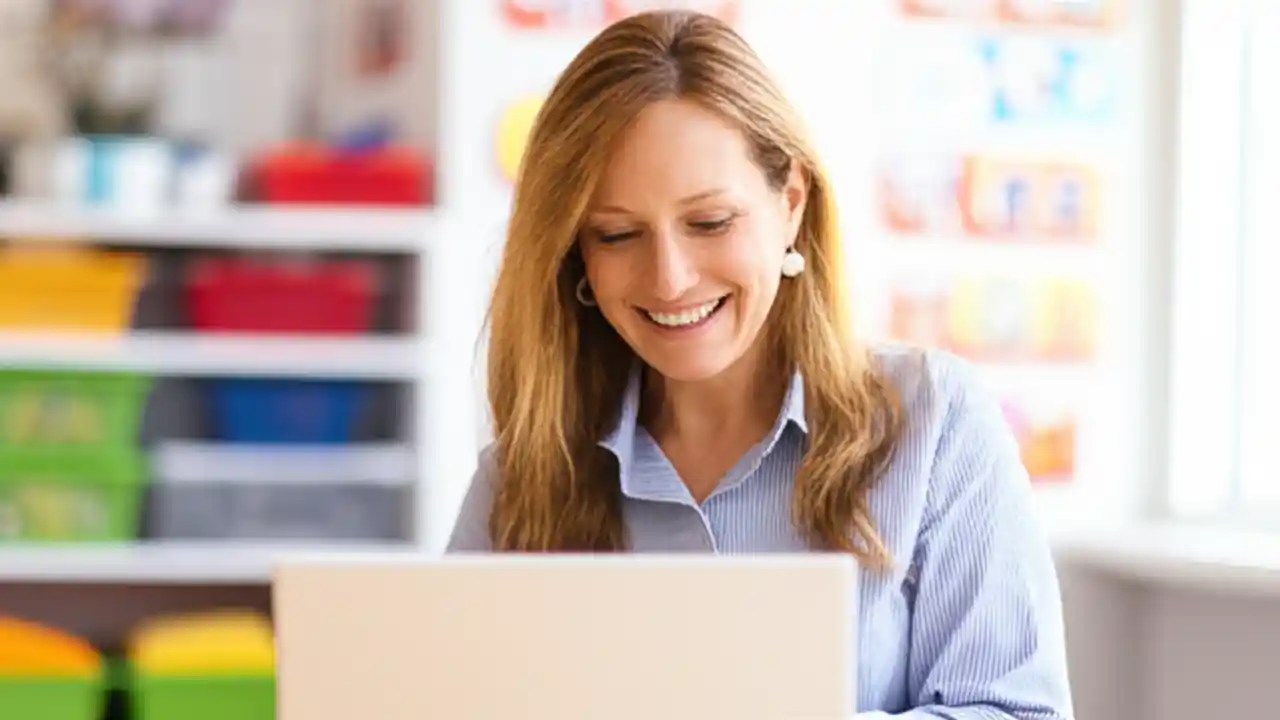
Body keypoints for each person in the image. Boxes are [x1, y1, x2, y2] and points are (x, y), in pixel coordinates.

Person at [448, 10, 1073, 719]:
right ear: (575, 256)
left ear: (791, 206)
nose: (670, 278)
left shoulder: (932, 422)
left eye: (711, 222)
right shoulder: (525, 473)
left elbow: (1017, 711)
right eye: (617, 235)